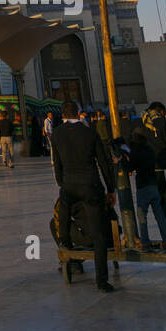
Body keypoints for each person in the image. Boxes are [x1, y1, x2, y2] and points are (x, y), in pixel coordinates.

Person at [52, 99, 117, 293]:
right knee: (99, 235)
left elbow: (57, 164)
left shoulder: (57, 134)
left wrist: (62, 184)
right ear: (79, 113)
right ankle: (102, 281)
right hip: (90, 185)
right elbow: (104, 162)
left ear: (63, 115)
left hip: (69, 185)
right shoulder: (90, 133)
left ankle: (65, 242)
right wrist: (111, 189)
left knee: (63, 211)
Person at [126, 127, 166, 250]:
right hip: (153, 185)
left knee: (142, 215)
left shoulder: (135, 151)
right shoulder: (149, 149)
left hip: (143, 186)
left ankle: (145, 242)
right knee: (159, 214)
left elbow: (130, 168)